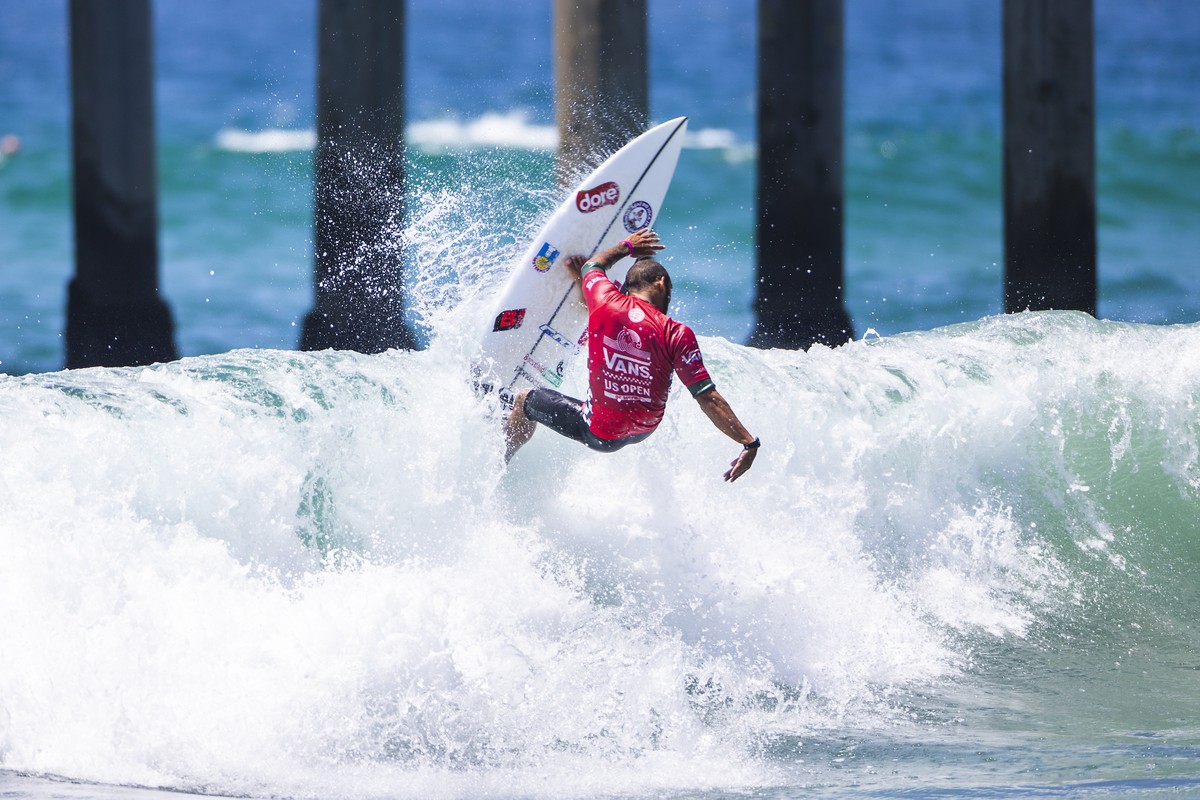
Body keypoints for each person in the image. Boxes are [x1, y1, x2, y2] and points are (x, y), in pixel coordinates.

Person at [503, 227, 759, 482]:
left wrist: (627, 246)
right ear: (661, 283)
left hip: (600, 433)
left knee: (525, 398)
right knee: (603, 322)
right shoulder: (678, 333)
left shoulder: (606, 302)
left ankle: (499, 463)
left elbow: (593, 265)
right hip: (644, 429)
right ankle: (584, 295)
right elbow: (708, 398)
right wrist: (748, 442)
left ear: (628, 290)